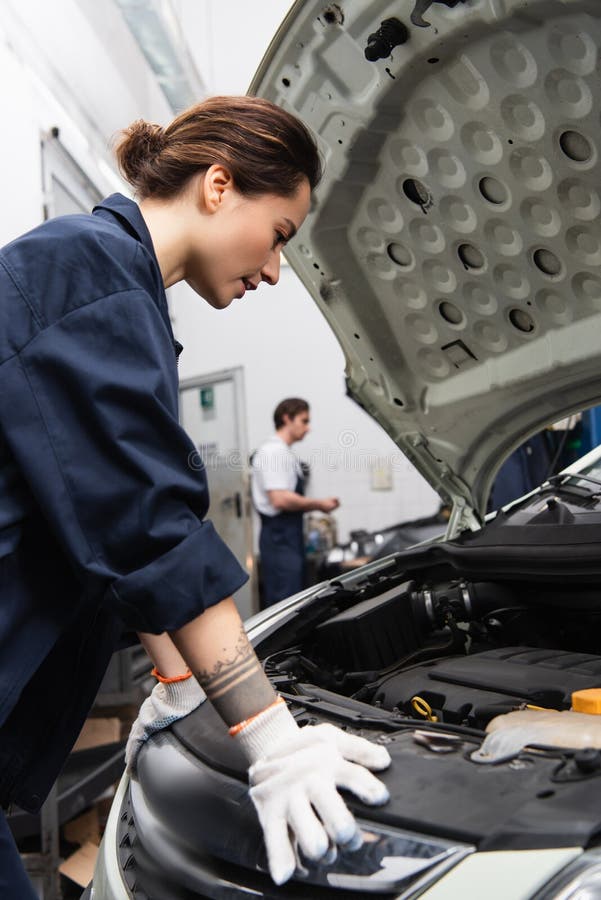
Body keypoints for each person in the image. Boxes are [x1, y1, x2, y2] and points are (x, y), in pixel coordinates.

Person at [0, 96, 390, 896]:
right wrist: (270, 738)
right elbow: (147, 526)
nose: (276, 270)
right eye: (279, 235)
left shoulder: (115, 291)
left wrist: (179, 685)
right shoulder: (84, 274)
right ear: (218, 185)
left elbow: (108, 516)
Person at [252, 398, 340, 606]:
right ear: (286, 418)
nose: (308, 428)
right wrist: (319, 504)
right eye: (304, 421)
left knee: (295, 602)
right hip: (279, 540)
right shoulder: (272, 452)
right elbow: (280, 499)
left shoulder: (284, 453)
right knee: (285, 604)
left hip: (289, 540)